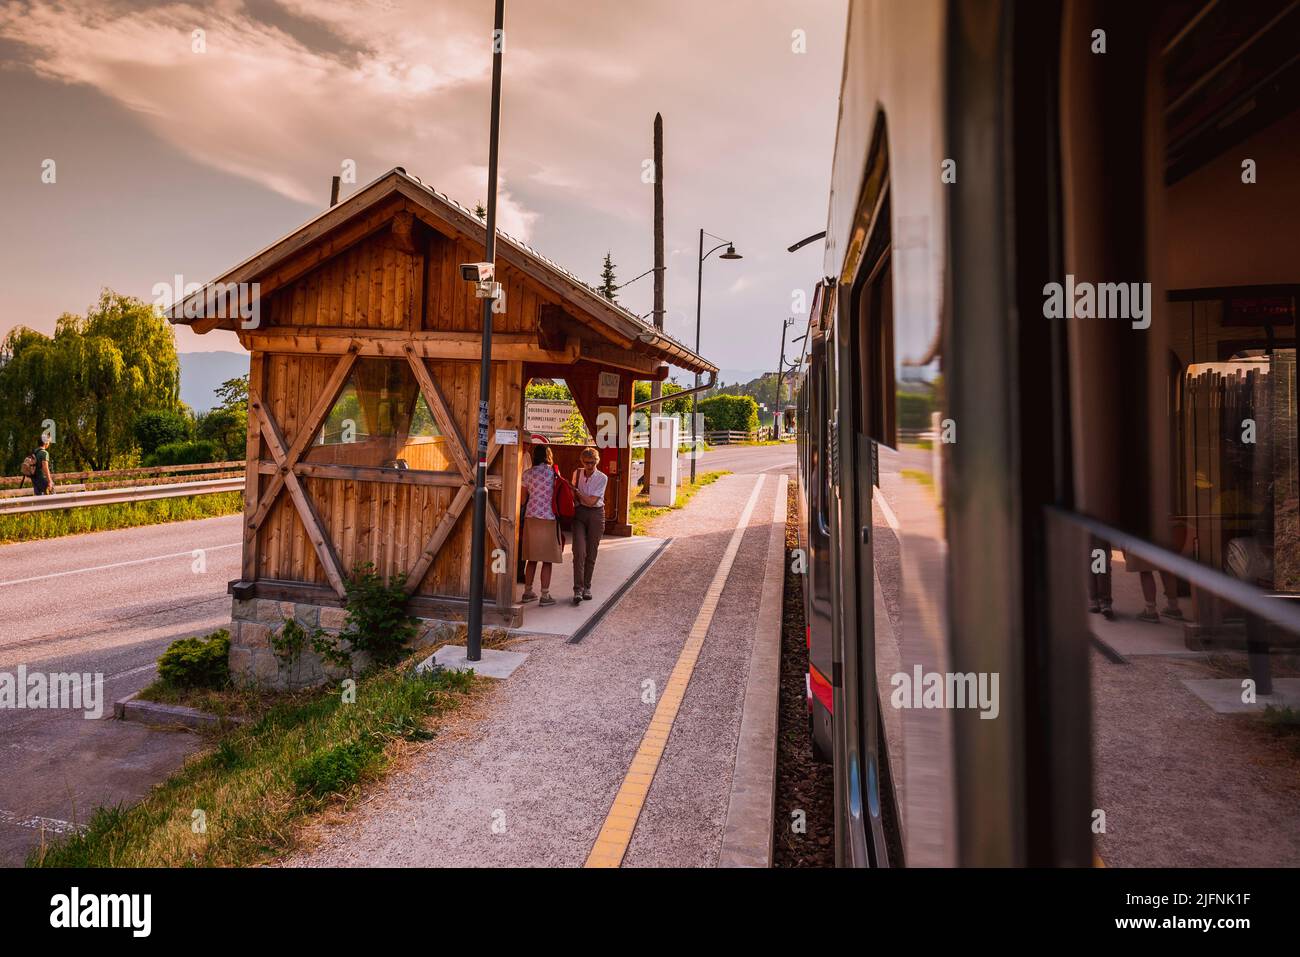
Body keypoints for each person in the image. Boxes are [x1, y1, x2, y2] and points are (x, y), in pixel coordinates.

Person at [519, 443, 564, 606]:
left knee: (531, 558)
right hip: (549, 518)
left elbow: (523, 500)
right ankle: (545, 595)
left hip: (531, 517)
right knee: (547, 559)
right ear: (548, 456)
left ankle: (527, 592)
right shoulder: (554, 473)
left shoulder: (527, 474)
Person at [568, 447, 608, 605]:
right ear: (582, 461)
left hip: (596, 514)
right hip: (579, 514)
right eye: (586, 463)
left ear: (597, 461)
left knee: (591, 552)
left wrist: (577, 492)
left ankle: (587, 587)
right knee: (579, 551)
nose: (589, 466)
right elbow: (573, 496)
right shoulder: (577, 473)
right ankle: (577, 589)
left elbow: (592, 501)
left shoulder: (602, 478)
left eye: (592, 463)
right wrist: (577, 495)